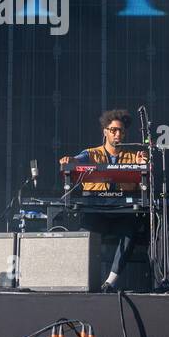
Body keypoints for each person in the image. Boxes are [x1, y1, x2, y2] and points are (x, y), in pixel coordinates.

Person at [59, 108, 148, 292]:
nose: (117, 134)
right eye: (113, 130)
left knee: (130, 232)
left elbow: (144, 187)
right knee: (84, 235)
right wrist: (70, 160)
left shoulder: (134, 156)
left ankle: (110, 283)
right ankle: (83, 282)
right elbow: (75, 161)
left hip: (122, 214)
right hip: (96, 213)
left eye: (121, 131)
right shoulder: (90, 154)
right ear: (105, 132)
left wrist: (142, 166)